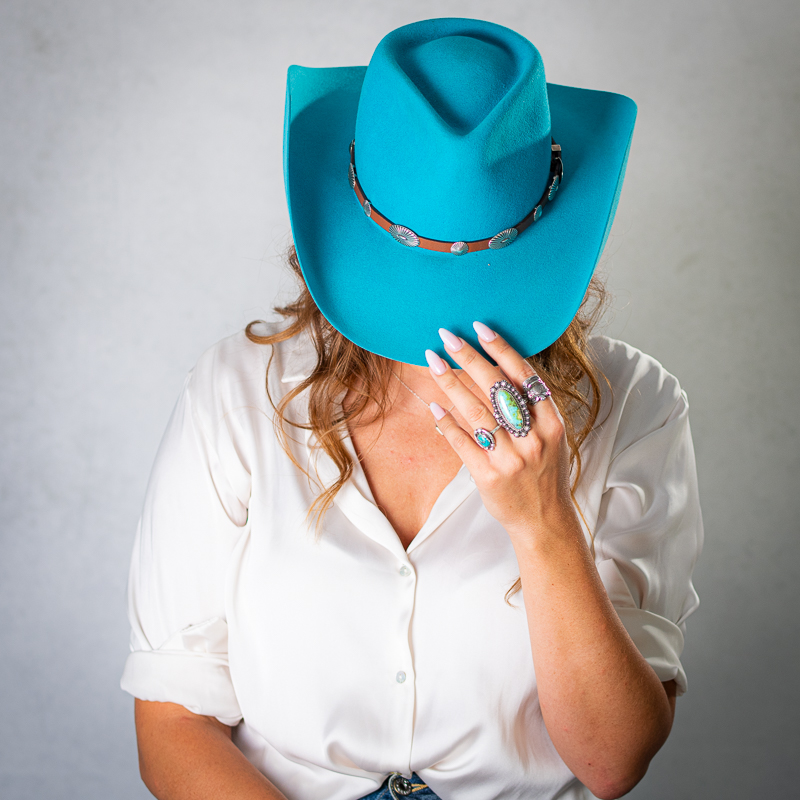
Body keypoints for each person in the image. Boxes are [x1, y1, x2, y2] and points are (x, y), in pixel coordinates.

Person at [121, 17, 703, 800]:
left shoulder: (641, 406)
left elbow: (611, 764)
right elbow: (173, 725)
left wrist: (543, 523)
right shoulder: (238, 390)